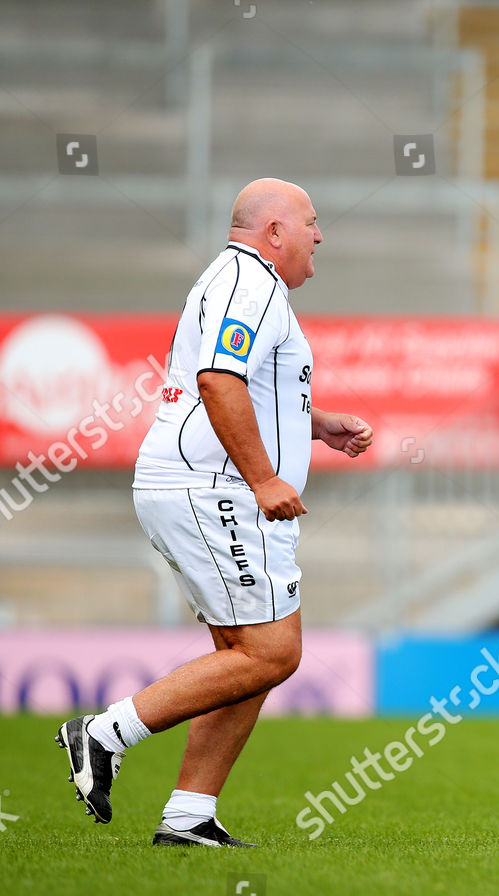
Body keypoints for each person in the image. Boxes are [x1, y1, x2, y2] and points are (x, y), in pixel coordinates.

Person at [57, 178, 374, 847]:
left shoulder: (242, 284)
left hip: (204, 487)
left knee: (242, 655)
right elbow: (218, 382)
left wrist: (314, 426)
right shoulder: (250, 283)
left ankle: (188, 816)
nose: (321, 236)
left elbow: (243, 388)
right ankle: (104, 732)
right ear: (275, 231)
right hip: (216, 490)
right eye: (313, 222)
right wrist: (262, 479)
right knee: (272, 653)